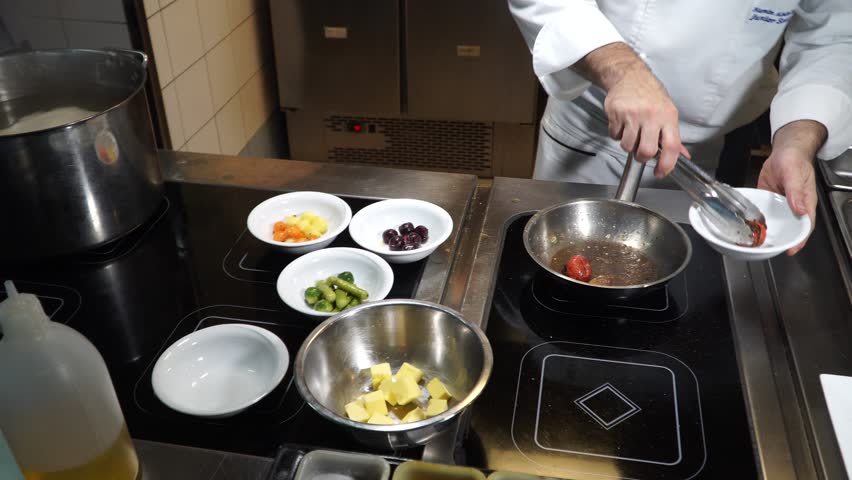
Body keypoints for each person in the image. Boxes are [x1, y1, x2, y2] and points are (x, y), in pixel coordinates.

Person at [508, 0, 852, 254]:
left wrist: (796, 143)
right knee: (564, 262)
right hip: (597, 134)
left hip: (724, 145)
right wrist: (623, 70)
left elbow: (833, 38)